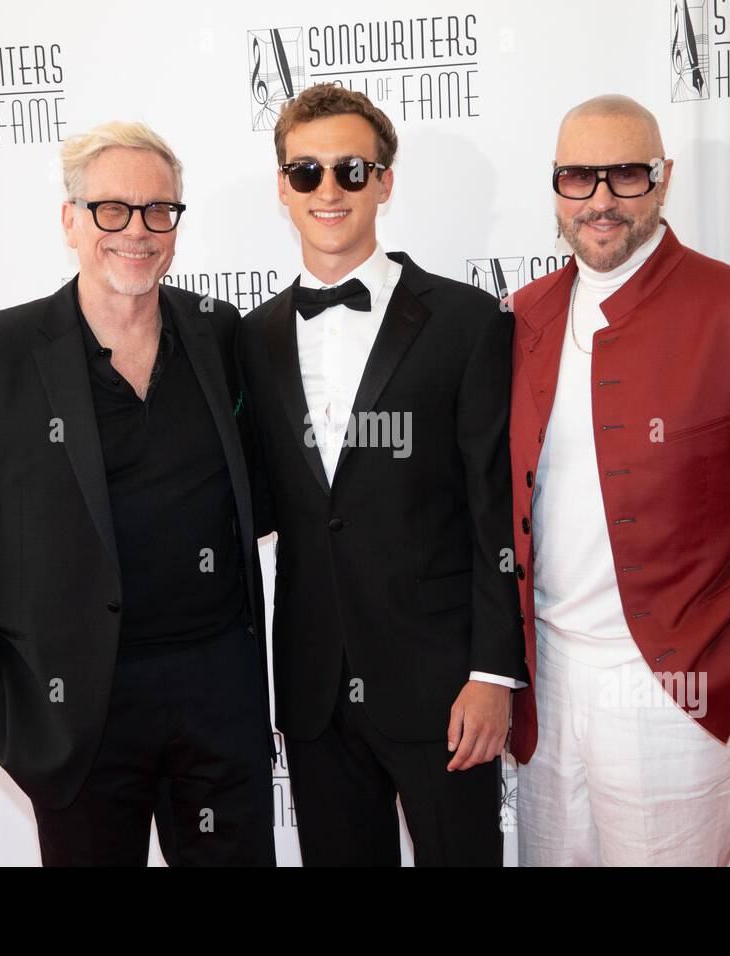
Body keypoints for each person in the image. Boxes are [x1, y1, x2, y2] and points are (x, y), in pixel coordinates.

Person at [0, 120, 274, 866]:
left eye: (158, 211)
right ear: (70, 221)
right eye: (111, 209)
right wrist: (0, 701)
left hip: (218, 700)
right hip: (77, 713)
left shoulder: (220, 333)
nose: (137, 230)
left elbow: (261, 492)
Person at [507, 94, 730, 866]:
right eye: (577, 177)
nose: (600, 200)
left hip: (673, 692)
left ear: (664, 179)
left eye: (626, 175)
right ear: (554, 187)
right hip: (546, 690)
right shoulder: (521, 317)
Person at [238, 85, 527, 866]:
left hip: (445, 690)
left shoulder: (467, 323)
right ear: (282, 189)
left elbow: (495, 504)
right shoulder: (253, 337)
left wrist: (494, 671)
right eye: (306, 173)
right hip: (313, 689)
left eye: (350, 170)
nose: (327, 190)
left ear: (385, 182)